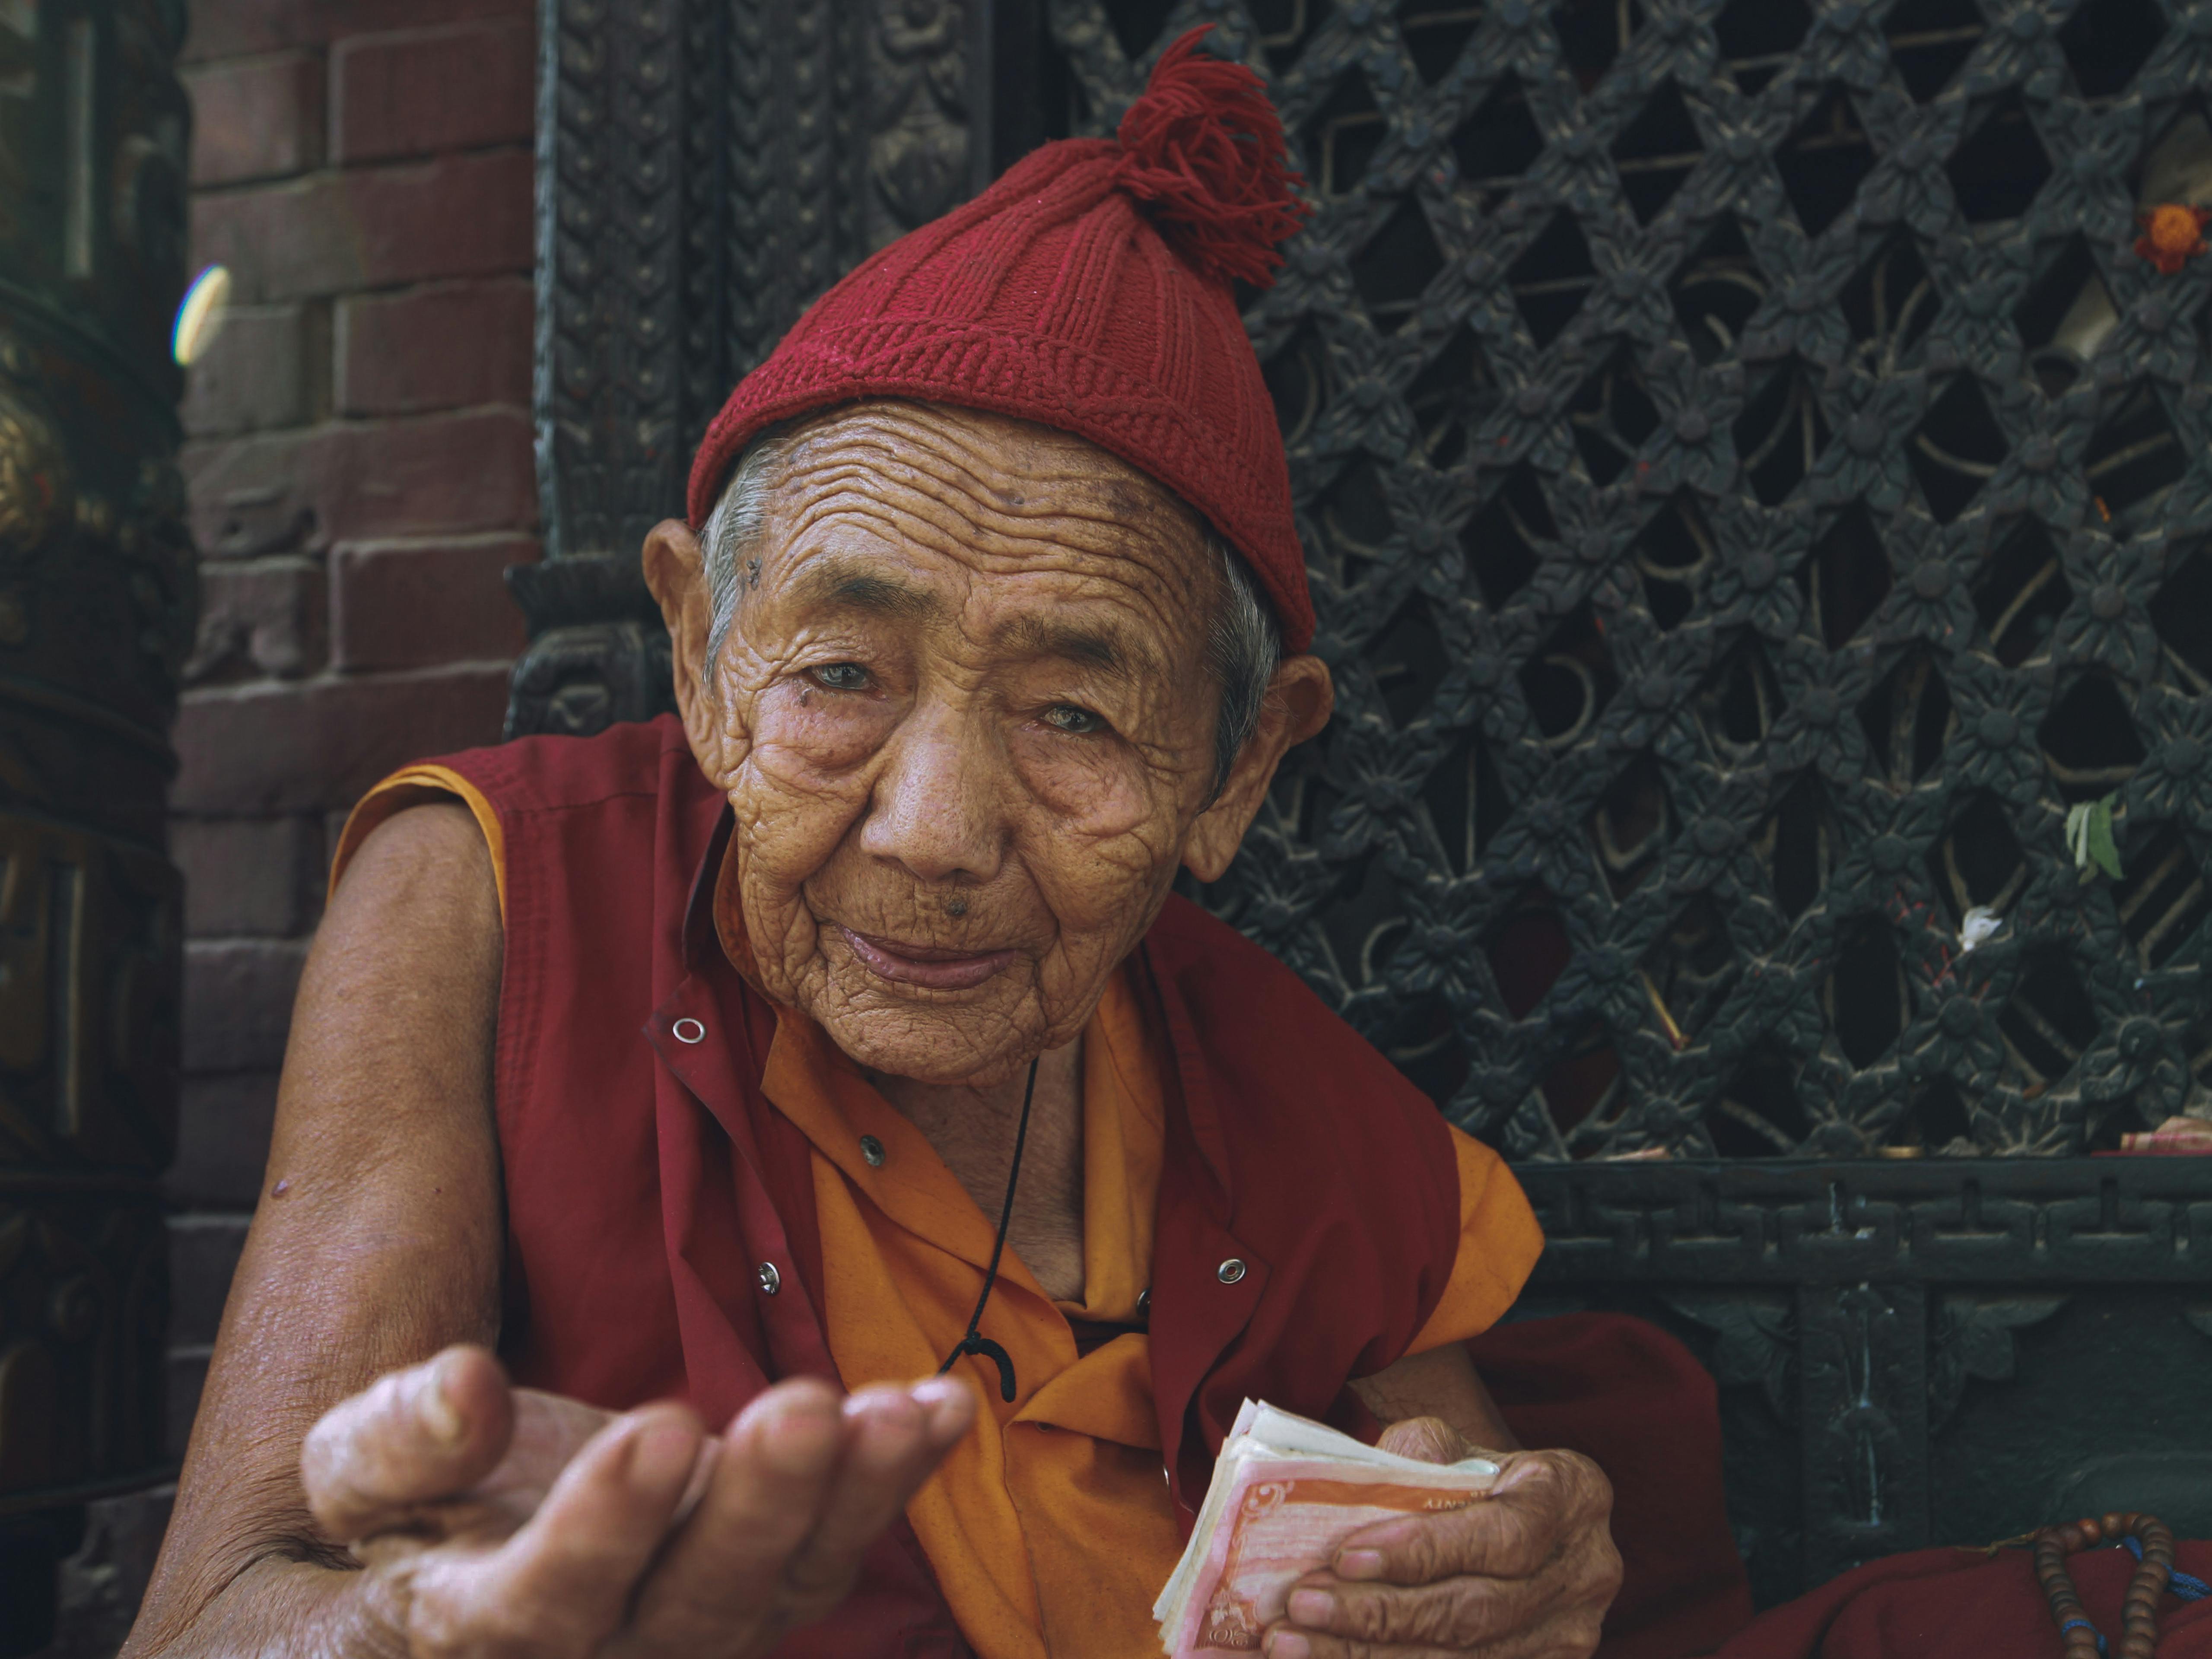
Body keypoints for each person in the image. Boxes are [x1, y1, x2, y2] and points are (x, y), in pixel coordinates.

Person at [124, 34, 1642, 1659]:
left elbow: (1466, 1531)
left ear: (1239, 767)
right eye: (842, 675)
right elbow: (217, 1614)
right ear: (702, 655)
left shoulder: (1277, 1099)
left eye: (1075, 715)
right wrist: (428, 1634)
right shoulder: (496, 895)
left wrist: (1513, 1586)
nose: (933, 836)